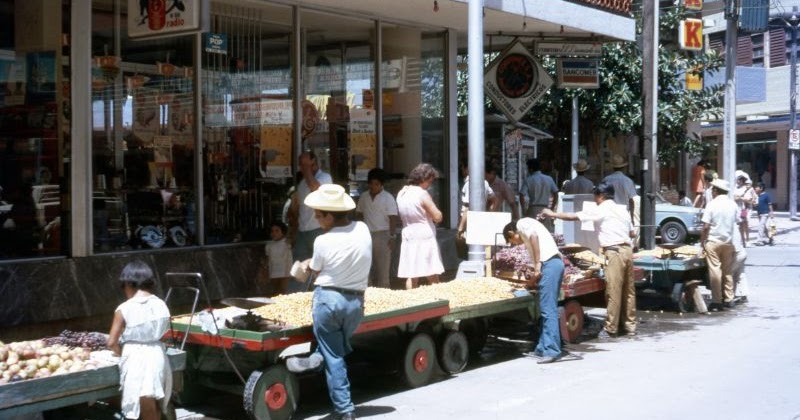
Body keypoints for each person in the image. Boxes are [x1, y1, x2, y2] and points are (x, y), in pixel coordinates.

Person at [285, 184, 371, 420]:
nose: (316, 217)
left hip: (329, 302)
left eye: (319, 214)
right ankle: (318, 357)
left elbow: (313, 269)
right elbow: (341, 255)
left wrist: (303, 266)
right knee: (335, 347)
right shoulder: (363, 229)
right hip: (355, 304)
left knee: (334, 357)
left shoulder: (322, 241)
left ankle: (345, 409)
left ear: (331, 216)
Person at [542, 182, 637, 338]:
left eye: (595, 196)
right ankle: (630, 325)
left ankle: (611, 328)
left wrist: (552, 214)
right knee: (629, 291)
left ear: (600, 196)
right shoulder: (622, 209)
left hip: (613, 252)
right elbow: (632, 233)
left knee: (613, 291)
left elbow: (572, 216)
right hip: (627, 250)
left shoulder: (601, 210)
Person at [106, 260, 172, 420]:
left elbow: (111, 343)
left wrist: (121, 353)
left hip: (135, 358)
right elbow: (165, 334)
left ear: (128, 284)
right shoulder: (161, 305)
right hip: (157, 354)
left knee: (141, 401)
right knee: (153, 399)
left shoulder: (124, 309)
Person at [502, 218, 565, 363]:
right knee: (545, 309)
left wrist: (537, 265)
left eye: (512, 241)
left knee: (548, 310)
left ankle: (552, 350)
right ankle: (543, 347)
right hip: (552, 265)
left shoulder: (521, 223)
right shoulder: (528, 228)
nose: (515, 244)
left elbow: (534, 236)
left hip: (550, 265)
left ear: (512, 233)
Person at [396, 163, 445, 289]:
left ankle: (411, 302)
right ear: (423, 179)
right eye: (430, 181)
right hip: (424, 235)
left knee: (412, 274)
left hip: (408, 234)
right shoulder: (422, 194)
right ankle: (438, 300)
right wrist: (438, 213)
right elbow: (437, 216)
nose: (430, 184)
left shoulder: (402, 193)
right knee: (431, 272)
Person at [289, 151, 333, 291]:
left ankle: (320, 293)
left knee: (319, 266)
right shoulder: (302, 184)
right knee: (300, 268)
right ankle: (297, 296)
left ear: (315, 163)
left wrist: (307, 169)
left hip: (318, 229)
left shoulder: (325, 177)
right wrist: (294, 231)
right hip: (303, 231)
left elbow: (316, 189)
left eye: (307, 164)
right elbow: (297, 209)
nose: (303, 167)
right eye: (301, 165)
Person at [356, 168, 400, 288]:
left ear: (381, 184)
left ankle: (384, 294)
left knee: (383, 269)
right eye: (371, 183)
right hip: (366, 235)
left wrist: (392, 236)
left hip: (383, 235)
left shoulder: (388, 197)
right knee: (364, 267)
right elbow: (359, 214)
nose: (373, 186)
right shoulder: (364, 197)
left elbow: (393, 218)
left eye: (376, 184)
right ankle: (367, 291)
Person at [699, 179, 738, 311]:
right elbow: (737, 221)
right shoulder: (733, 205)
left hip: (714, 241)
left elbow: (705, 226)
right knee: (727, 271)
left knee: (715, 271)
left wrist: (702, 242)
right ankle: (729, 298)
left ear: (716, 191)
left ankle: (717, 300)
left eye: (713, 190)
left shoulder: (712, 204)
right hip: (728, 242)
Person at [519, 158, 558, 231]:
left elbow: (521, 194)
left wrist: (524, 209)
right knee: (546, 232)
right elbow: (556, 193)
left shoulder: (528, 179)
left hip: (533, 209)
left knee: (532, 232)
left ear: (530, 169)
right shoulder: (549, 178)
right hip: (546, 209)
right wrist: (552, 207)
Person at [457, 166, 496, 240]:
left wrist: (461, 227)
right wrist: (489, 213)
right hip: (480, 219)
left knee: (466, 247)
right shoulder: (485, 183)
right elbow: (494, 199)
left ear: (467, 169)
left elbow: (467, 206)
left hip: (468, 221)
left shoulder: (471, 184)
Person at [602, 154, 638, 221]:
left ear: (612, 167)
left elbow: (602, 198)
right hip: (623, 214)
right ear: (623, 167)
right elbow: (631, 201)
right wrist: (632, 218)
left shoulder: (606, 180)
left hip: (609, 214)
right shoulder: (628, 181)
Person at [264, 220, 293, 295]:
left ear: (282, 232)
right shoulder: (269, 245)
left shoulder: (287, 243)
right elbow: (268, 259)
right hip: (273, 271)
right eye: (272, 231)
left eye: (277, 231)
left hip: (285, 272)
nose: (274, 233)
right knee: (275, 292)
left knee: (283, 291)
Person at [733, 176, 756, 246]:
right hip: (737, 208)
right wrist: (741, 198)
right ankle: (743, 241)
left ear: (742, 181)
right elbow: (734, 198)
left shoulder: (746, 189)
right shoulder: (735, 188)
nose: (738, 182)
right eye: (737, 180)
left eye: (739, 180)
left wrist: (741, 198)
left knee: (745, 224)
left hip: (744, 209)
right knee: (740, 225)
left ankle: (747, 240)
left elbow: (751, 199)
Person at [754, 181, 774, 246]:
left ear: (761, 188)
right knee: (764, 228)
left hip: (765, 213)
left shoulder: (766, 195)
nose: (755, 189)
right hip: (759, 214)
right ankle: (771, 238)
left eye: (756, 187)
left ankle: (759, 240)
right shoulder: (757, 196)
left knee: (761, 226)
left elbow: (770, 204)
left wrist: (771, 212)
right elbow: (756, 205)